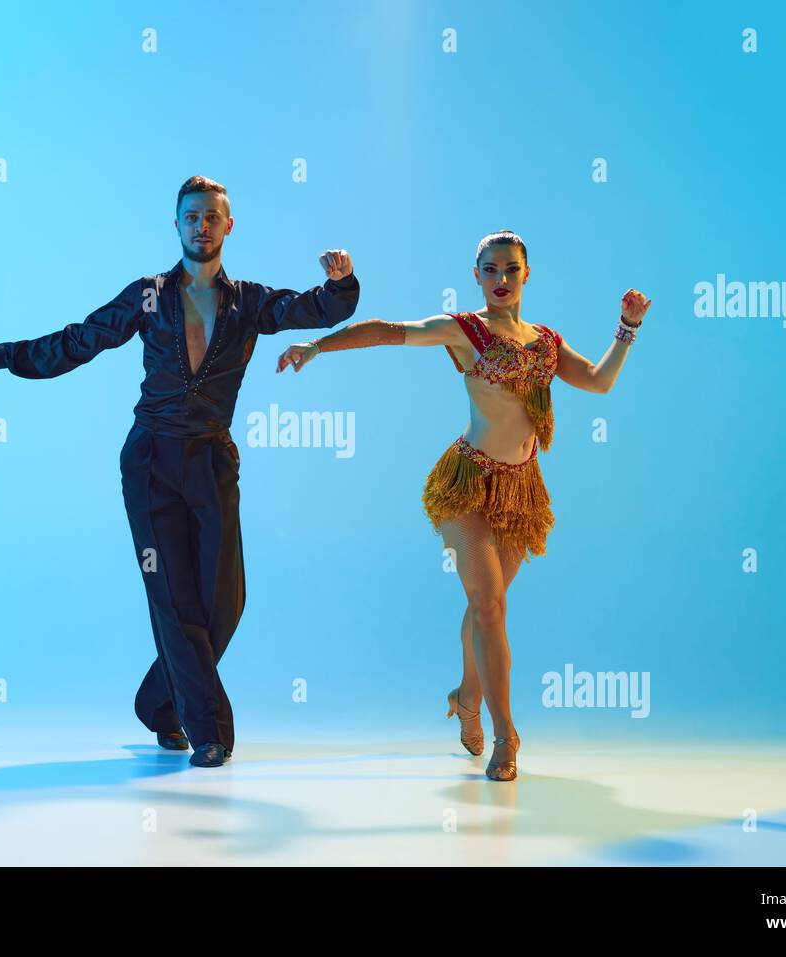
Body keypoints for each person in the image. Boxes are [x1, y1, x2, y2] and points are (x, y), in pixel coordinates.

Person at [0, 176, 360, 767]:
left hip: (212, 460)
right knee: (172, 595)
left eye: (212, 216)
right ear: (177, 225)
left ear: (228, 225)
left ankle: (157, 703)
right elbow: (76, 342)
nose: (201, 225)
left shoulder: (249, 301)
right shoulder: (147, 297)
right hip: (150, 463)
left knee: (225, 602)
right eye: (191, 216)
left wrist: (341, 282)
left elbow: (315, 308)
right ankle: (209, 731)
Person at [276, 230, 649, 780]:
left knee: (485, 608)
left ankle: (466, 696)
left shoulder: (545, 342)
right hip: (467, 483)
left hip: (522, 491)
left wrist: (628, 328)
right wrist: (316, 346)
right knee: (490, 603)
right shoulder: (463, 331)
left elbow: (598, 381)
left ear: (526, 275)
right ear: (476, 275)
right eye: (490, 269)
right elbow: (388, 331)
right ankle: (507, 735)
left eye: (511, 270)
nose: (501, 279)